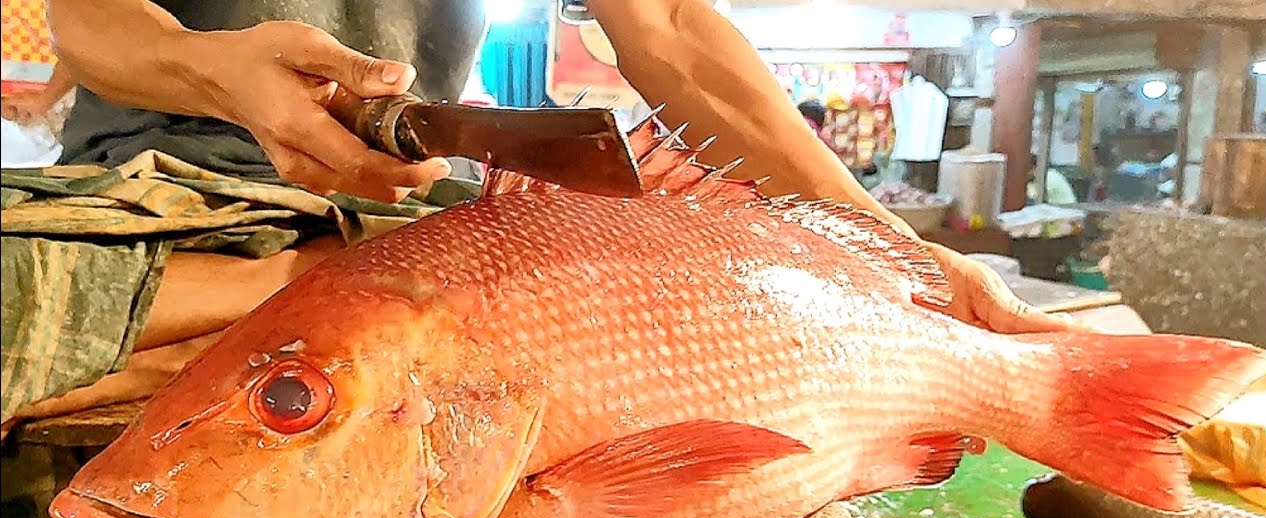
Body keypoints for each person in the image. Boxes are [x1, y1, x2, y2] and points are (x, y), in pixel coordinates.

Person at [3, 0, 1080, 429]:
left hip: (410, 212)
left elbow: (668, 27)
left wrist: (877, 239)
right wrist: (208, 67)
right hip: (154, 197)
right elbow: (84, 23)